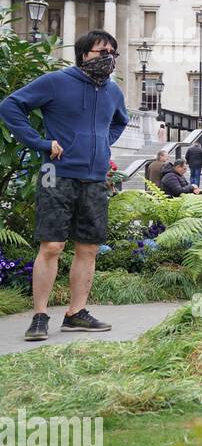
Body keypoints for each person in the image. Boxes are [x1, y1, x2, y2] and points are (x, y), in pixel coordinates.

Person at [0, 29, 130, 340]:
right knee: (52, 246)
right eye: (102, 52)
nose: (109, 58)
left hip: (96, 176)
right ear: (85, 54)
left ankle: (76, 313)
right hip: (55, 173)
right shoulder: (56, 82)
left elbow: (120, 121)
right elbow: (9, 106)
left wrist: (102, 144)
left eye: (113, 53)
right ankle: (40, 316)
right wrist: (40, 142)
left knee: (89, 248)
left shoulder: (112, 92)